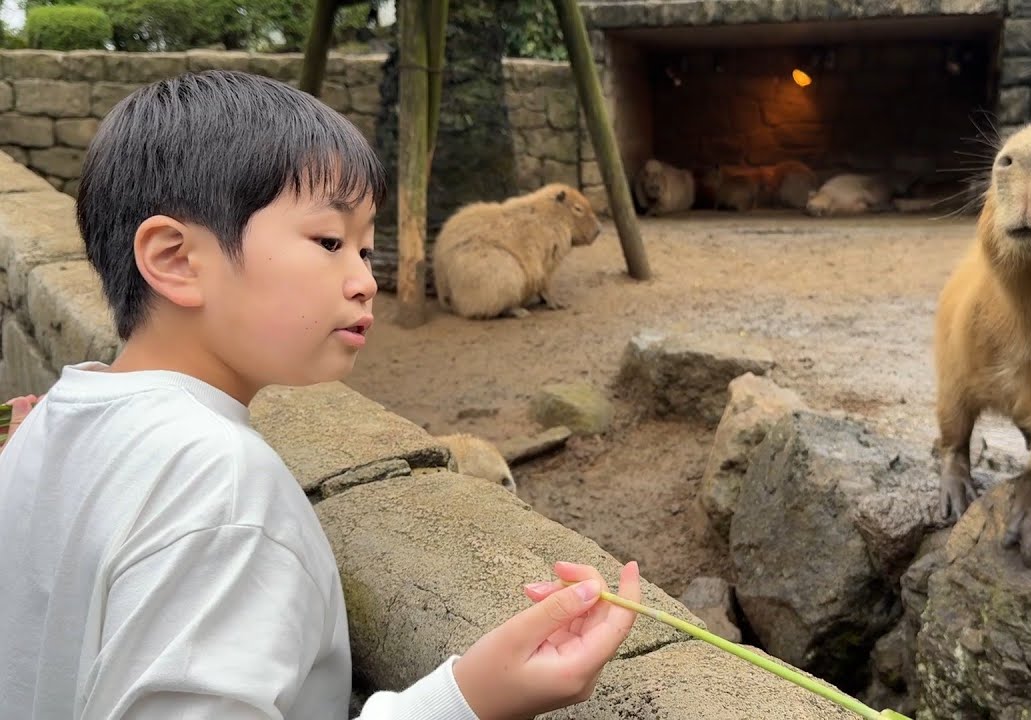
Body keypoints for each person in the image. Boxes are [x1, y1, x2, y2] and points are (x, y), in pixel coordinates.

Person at [0, 69, 641, 720]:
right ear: (176, 260)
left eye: (364, 250)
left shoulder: (46, 425)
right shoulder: (222, 488)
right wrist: (465, 699)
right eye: (331, 242)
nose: (366, 281)